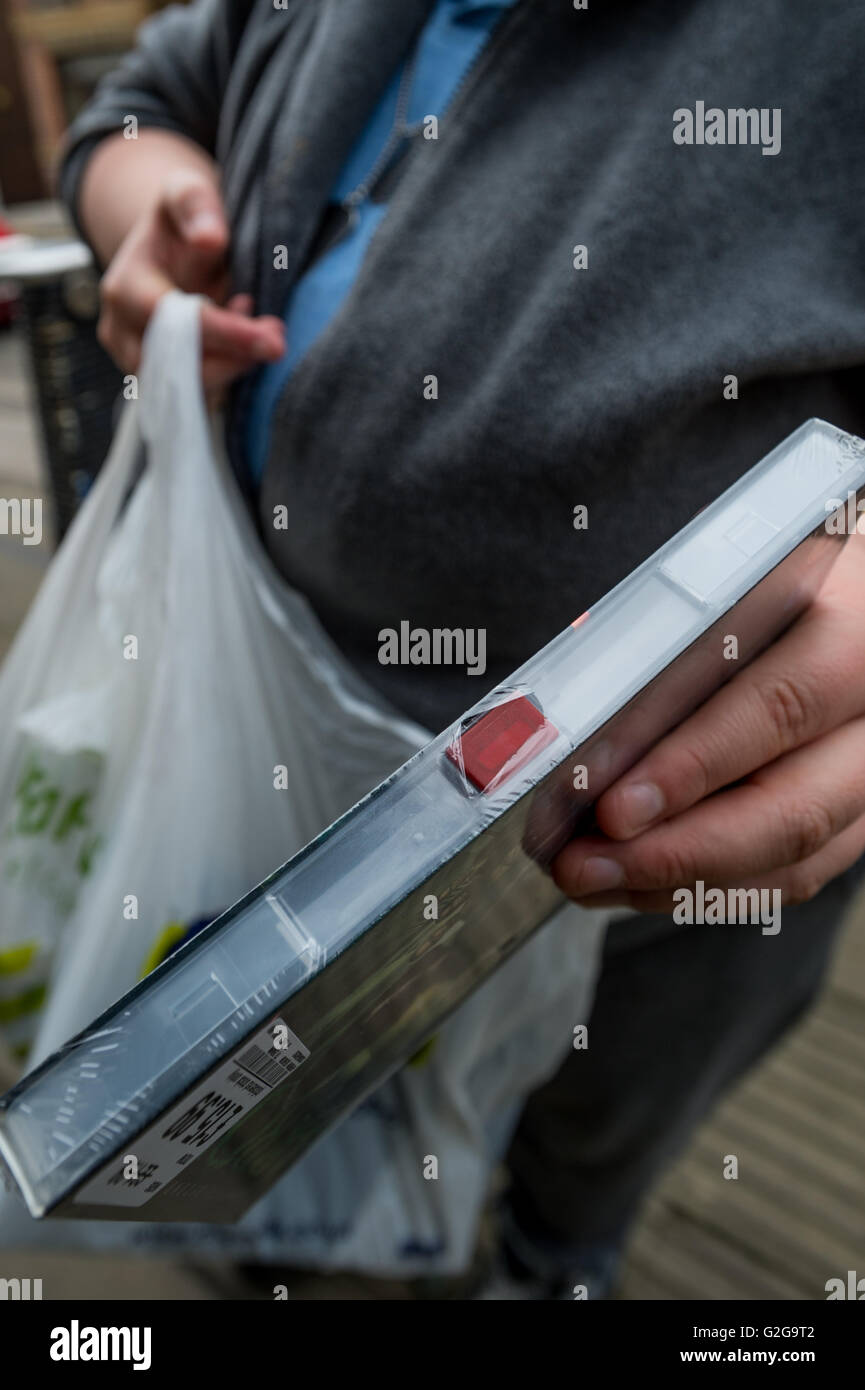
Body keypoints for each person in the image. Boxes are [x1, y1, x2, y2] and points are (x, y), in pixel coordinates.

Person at [59, 0, 865, 1297]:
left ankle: (556, 1252)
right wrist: (152, 216)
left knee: (604, 1106)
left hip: (660, 830)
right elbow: (142, 103)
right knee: (289, 1107)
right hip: (291, 763)